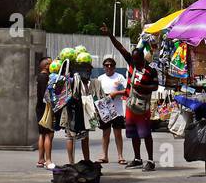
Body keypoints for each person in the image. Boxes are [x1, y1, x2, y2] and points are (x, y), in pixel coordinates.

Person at [103, 26, 157, 171]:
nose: (134, 61)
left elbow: (155, 87)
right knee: (133, 132)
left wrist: (144, 88)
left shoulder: (150, 70)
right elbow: (120, 48)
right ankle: (137, 158)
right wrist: (110, 35)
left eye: (136, 59)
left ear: (141, 58)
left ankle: (150, 160)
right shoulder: (132, 63)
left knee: (145, 133)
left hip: (142, 105)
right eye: (132, 59)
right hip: (130, 104)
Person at [95, 53, 128, 165]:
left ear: (114, 67)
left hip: (117, 110)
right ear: (103, 67)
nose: (109, 67)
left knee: (118, 134)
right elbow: (97, 94)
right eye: (107, 65)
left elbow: (127, 91)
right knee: (105, 133)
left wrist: (115, 93)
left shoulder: (120, 77)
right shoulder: (100, 78)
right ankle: (104, 155)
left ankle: (120, 156)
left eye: (111, 65)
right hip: (104, 110)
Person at [62, 56, 94, 165]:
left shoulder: (72, 79)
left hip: (75, 109)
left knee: (73, 136)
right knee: (74, 136)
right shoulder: (77, 80)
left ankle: (82, 161)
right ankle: (80, 161)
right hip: (77, 110)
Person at [35, 56, 55, 168]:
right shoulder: (45, 77)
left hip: (40, 108)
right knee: (49, 134)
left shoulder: (40, 77)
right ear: (46, 65)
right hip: (45, 108)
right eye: (50, 63)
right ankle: (48, 160)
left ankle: (41, 160)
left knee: (42, 134)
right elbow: (45, 95)